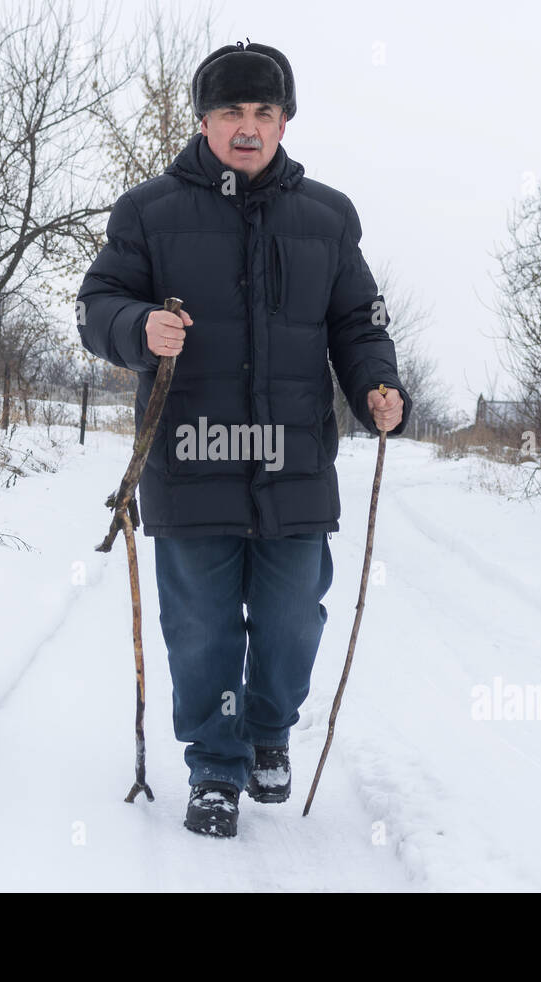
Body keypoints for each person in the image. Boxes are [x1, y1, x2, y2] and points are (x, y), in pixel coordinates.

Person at [77, 40, 410, 837]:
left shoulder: (328, 217)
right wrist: (137, 326)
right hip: (188, 461)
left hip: (294, 464)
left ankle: (268, 733)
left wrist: (377, 386)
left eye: (265, 111)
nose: (249, 126)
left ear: (286, 121)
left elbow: (357, 322)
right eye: (232, 111)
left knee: (294, 619)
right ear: (204, 119)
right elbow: (97, 307)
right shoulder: (148, 211)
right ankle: (216, 768)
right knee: (201, 629)